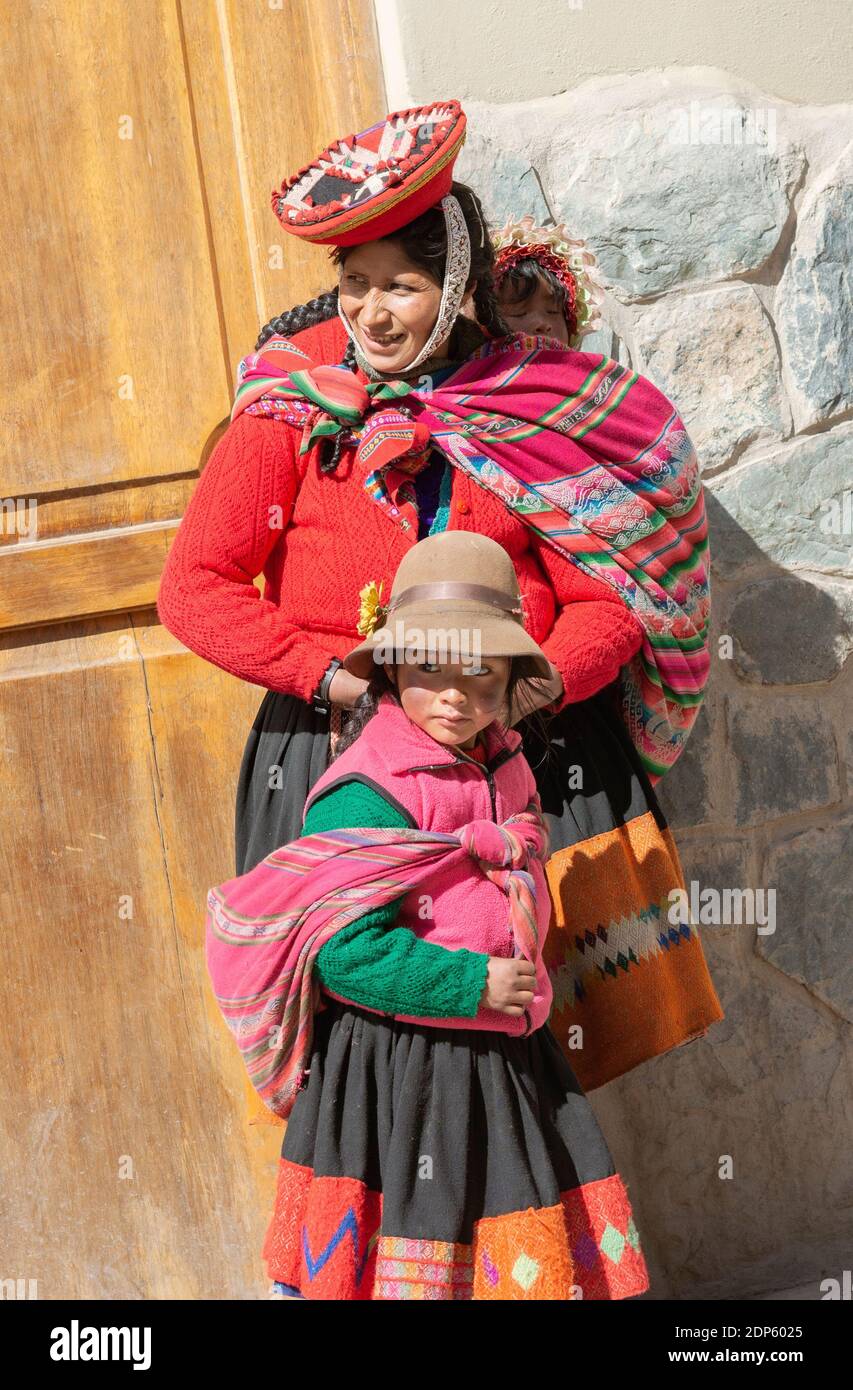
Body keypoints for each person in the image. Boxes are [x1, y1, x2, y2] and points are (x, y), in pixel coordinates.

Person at [157, 97, 722, 1118]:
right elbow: (192, 587)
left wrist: (524, 689)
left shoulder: (527, 411)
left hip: (506, 762)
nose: (371, 314)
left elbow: (610, 599)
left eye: (402, 287)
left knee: (521, 1036)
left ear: (455, 284)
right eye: (354, 285)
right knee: (362, 1043)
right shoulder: (291, 411)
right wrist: (329, 677)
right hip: (337, 765)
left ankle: (526, 1249)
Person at [206, 529, 652, 1300]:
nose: (455, 694)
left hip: (501, 1058)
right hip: (399, 1072)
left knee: (517, 1240)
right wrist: (472, 983)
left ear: (514, 677)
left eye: (481, 673)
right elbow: (344, 952)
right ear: (389, 669)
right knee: (411, 1245)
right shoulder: (365, 791)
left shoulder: (505, 765)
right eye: (430, 671)